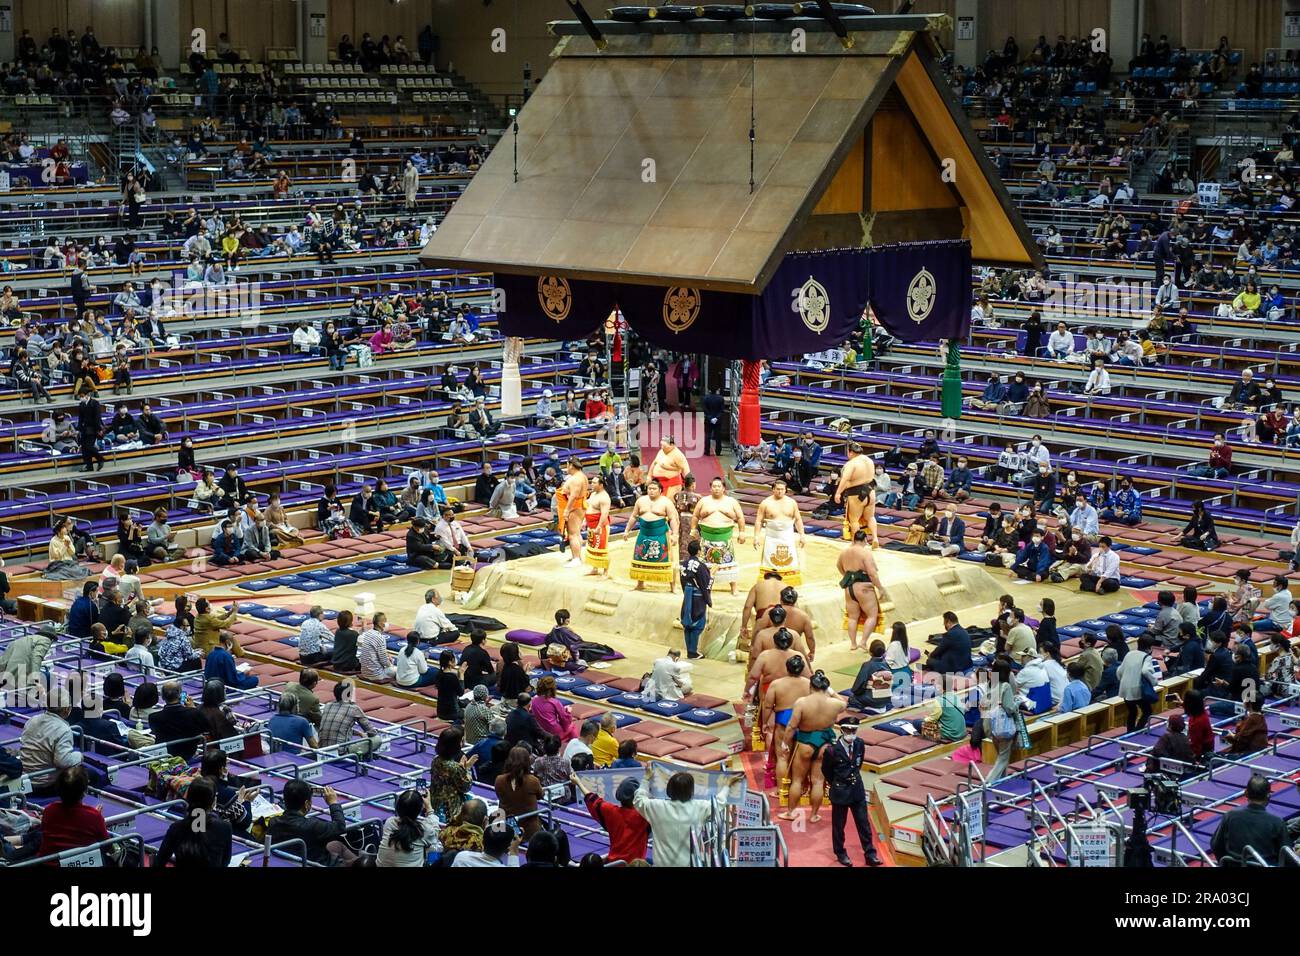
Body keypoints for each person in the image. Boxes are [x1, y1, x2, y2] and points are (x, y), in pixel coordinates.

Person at [781, 670, 844, 822]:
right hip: (825, 744)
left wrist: (785, 742)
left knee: (797, 780)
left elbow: (791, 726)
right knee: (818, 781)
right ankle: (814, 815)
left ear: (811, 687)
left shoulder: (802, 702)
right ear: (825, 687)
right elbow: (844, 702)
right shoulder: (835, 703)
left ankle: (790, 813)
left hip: (805, 744)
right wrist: (830, 690)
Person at [823, 717, 882, 867]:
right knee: (839, 826)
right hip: (840, 791)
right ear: (842, 730)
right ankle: (840, 853)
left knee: (864, 824)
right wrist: (837, 783)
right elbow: (826, 771)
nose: (851, 733)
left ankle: (870, 854)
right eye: (848, 730)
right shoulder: (831, 750)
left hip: (857, 790)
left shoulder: (860, 744)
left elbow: (858, 764)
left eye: (854, 730)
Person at [632, 770, 716, 867]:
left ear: (669, 789)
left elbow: (638, 799)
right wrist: (727, 787)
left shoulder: (657, 806)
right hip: (689, 864)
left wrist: (646, 778)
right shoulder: (700, 807)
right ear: (691, 791)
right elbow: (718, 803)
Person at [268, 781, 357, 866]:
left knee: (336, 845)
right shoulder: (312, 825)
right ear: (307, 804)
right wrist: (333, 803)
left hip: (289, 862)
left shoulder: (273, 822)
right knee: (358, 861)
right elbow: (340, 827)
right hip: (316, 864)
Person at [35, 766, 111, 862]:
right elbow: (108, 846)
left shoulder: (49, 810)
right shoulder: (94, 816)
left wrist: (93, 815)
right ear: (84, 792)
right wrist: (96, 817)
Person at [153, 778, 233, 868]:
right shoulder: (224, 828)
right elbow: (225, 861)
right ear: (213, 801)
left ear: (188, 798)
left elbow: (159, 862)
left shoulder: (176, 828)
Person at [1210, 773, 1289, 865]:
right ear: (1268, 796)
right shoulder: (1277, 822)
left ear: (1246, 793)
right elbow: (1287, 857)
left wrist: (1227, 863)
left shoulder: (1230, 816)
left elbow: (1216, 845)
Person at [573, 774, 649, 863]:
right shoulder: (644, 815)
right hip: (636, 864)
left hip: (614, 862)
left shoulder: (610, 811)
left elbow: (591, 798)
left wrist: (578, 782)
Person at [691, 477, 746, 592]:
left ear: (724, 488)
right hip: (706, 537)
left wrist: (742, 532)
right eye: (714, 486)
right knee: (703, 564)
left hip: (725, 537)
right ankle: (702, 586)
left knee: (729, 563)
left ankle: (734, 588)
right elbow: (695, 516)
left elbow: (740, 517)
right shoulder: (703, 501)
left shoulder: (731, 501)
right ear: (710, 488)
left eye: (719, 486)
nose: (716, 488)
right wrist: (693, 529)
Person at [626, 478, 679, 591]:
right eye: (650, 488)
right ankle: (640, 584)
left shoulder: (666, 502)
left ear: (660, 490)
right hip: (644, 533)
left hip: (661, 534)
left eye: (654, 489)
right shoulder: (640, 501)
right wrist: (627, 530)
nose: (651, 491)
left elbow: (673, 519)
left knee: (668, 560)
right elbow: (633, 517)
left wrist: (675, 535)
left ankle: (672, 586)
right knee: (641, 559)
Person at [838, 531, 888, 650]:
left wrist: (848, 576)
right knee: (872, 615)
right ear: (865, 539)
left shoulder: (844, 552)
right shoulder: (865, 553)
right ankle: (863, 642)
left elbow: (839, 566)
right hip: (864, 587)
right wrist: (880, 588)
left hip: (849, 588)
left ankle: (853, 644)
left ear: (854, 539)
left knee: (852, 617)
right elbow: (872, 573)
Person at [753, 479, 805, 585]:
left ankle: (788, 584)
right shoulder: (766, 503)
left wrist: (802, 535)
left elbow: (798, 519)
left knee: (789, 561)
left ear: (786, 490)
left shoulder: (792, 503)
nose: (780, 491)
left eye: (782, 489)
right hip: (772, 537)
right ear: (773, 489)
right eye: (777, 489)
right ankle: (769, 583)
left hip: (788, 537)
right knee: (770, 562)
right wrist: (756, 536)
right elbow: (759, 521)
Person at [377, 789, 442, 867]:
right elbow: (435, 833)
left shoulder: (389, 822)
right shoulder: (424, 830)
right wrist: (429, 808)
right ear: (420, 809)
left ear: (397, 807)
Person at [320, 679, 384, 757]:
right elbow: (372, 732)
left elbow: (338, 727)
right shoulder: (354, 709)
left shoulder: (327, 705)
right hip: (341, 753)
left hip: (322, 750)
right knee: (377, 740)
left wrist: (359, 733)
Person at [494, 745, 544, 839]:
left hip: (507, 828)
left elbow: (499, 795)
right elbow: (541, 795)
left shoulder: (499, 779)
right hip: (529, 830)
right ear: (527, 761)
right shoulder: (533, 781)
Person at [429, 727, 476, 821]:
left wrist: (462, 768)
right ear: (456, 745)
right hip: (450, 808)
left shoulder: (435, 760)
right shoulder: (455, 768)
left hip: (435, 801)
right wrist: (467, 769)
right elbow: (466, 787)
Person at [1118, 635, 1163, 732]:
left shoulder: (1129, 654)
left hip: (1125, 688)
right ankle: (1138, 731)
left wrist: (1123, 681)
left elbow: (1119, 671)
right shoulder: (1147, 657)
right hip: (1137, 689)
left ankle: (1129, 733)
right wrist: (1154, 681)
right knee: (1147, 711)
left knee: (1132, 712)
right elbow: (1145, 671)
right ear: (1150, 648)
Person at [679, 540, 713, 659]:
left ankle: (690, 650)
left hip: (687, 595)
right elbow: (706, 583)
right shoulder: (701, 566)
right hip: (697, 598)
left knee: (687, 623)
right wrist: (712, 575)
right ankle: (692, 651)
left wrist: (686, 593)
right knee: (697, 624)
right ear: (699, 551)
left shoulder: (683, 564)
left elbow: (682, 581)